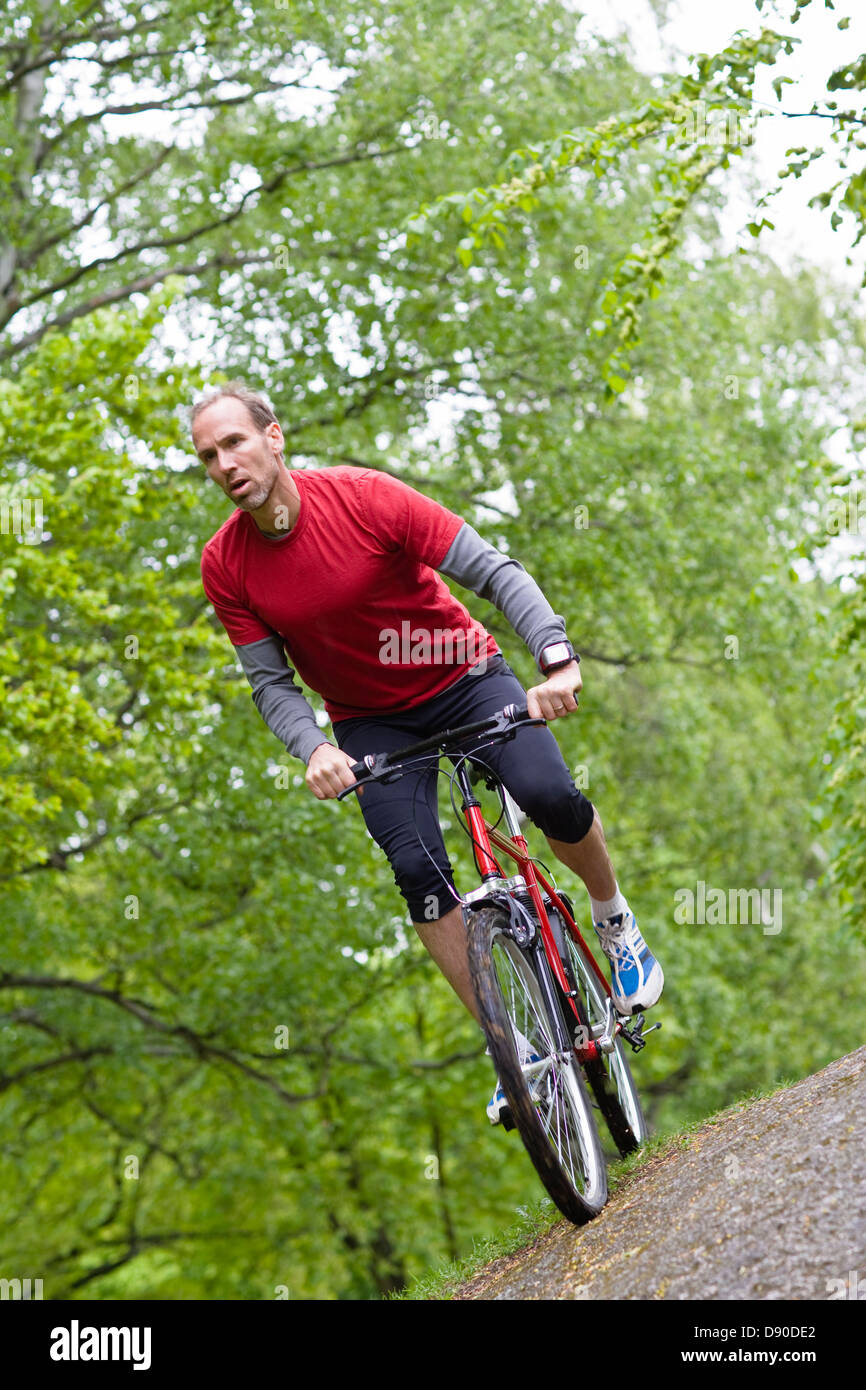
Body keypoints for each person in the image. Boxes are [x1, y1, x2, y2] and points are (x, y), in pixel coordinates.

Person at [193, 384, 663, 1119]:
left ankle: (614, 921)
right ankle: (512, 1044)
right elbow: (271, 684)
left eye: (234, 443)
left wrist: (556, 657)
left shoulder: (365, 498)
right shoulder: (226, 564)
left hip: (465, 678)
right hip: (371, 725)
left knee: (549, 798)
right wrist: (312, 747)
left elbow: (494, 571)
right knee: (415, 869)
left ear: (274, 437)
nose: (224, 463)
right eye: (208, 456)